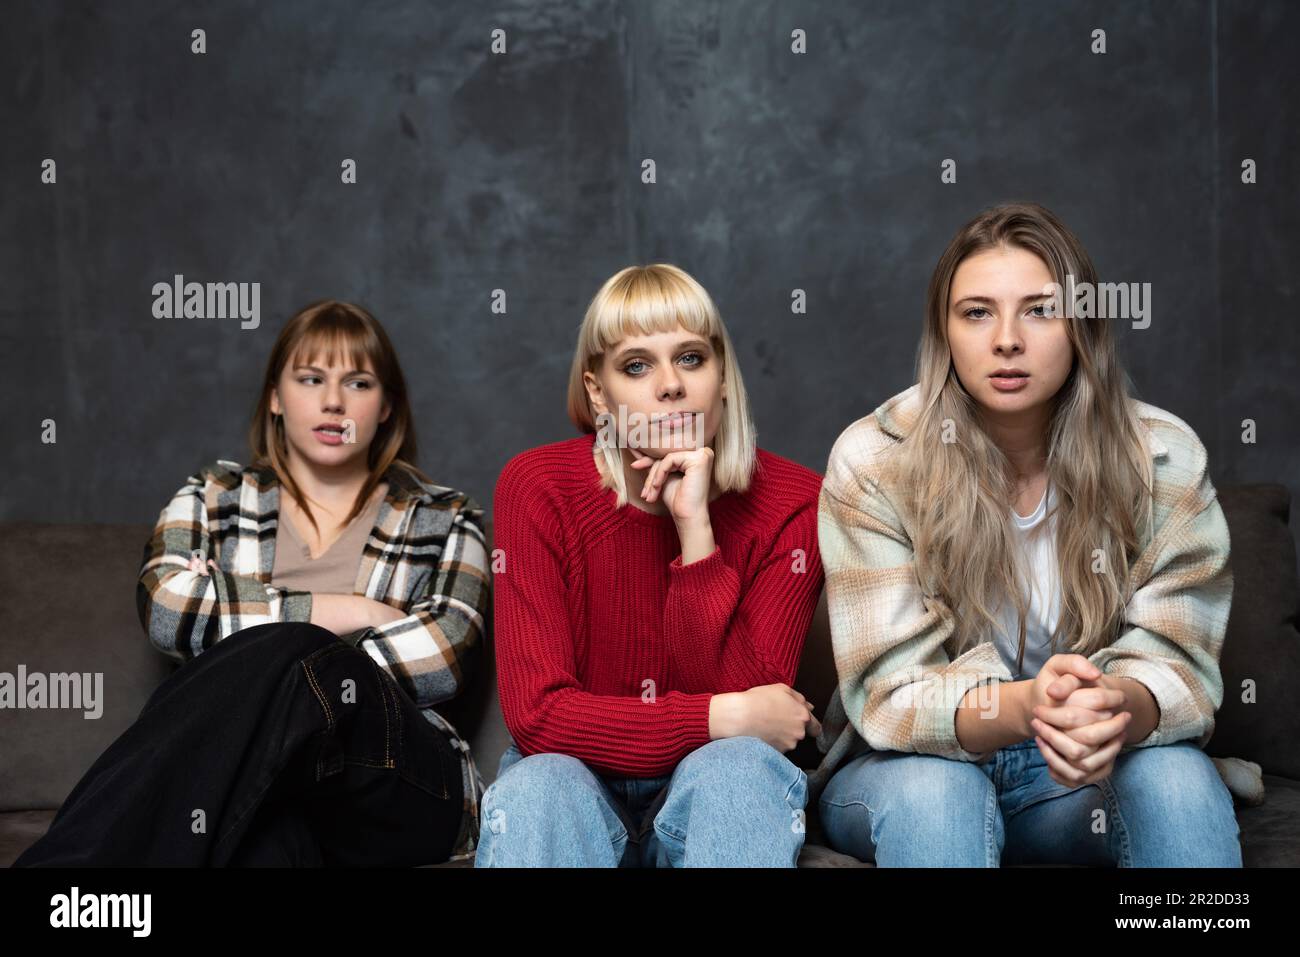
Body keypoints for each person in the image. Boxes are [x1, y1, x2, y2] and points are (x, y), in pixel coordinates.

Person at [808, 202, 1244, 867]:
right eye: (976, 312)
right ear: (944, 332)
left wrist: (1113, 705)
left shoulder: (1164, 459)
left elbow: (1180, 660)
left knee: (1178, 779)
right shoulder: (874, 461)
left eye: (1040, 310)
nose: (1007, 339)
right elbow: (892, 694)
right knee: (942, 793)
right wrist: (1026, 705)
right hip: (909, 770)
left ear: (1082, 326)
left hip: (1072, 777)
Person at [15, 300, 490, 867]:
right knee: (263, 849)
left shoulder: (444, 517)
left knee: (301, 656)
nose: (333, 401)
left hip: (396, 782)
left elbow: (444, 654)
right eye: (310, 379)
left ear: (386, 405)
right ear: (275, 397)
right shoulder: (213, 497)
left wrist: (249, 619)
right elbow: (168, 610)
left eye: (357, 382)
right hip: (262, 786)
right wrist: (356, 608)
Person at [478, 263, 825, 867]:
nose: (670, 385)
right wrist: (725, 714)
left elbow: (752, 720)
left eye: (691, 358)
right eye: (637, 365)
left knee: (739, 772)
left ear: (721, 377)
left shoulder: (795, 503)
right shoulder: (536, 487)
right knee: (539, 787)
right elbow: (539, 716)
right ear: (597, 392)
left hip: (714, 783)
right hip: (574, 779)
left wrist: (695, 532)